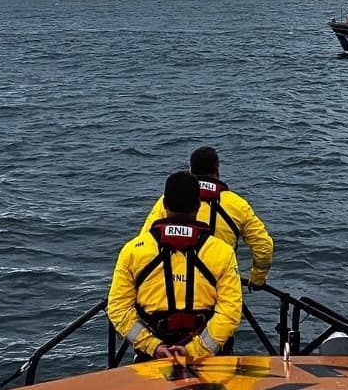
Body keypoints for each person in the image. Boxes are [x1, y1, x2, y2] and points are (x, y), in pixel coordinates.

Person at [108, 171, 242, 362]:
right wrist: (195, 349)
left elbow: (118, 309)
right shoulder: (223, 252)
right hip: (210, 361)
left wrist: (153, 346)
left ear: (164, 205)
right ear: (198, 206)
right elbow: (230, 312)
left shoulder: (132, 251)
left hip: (152, 359)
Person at [141, 147, 273, 290]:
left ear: (190, 170)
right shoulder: (237, 204)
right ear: (217, 169)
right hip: (220, 285)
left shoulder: (167, 201)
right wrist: (257, 279)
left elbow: (144, 243)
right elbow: (264, 246)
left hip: (172, 286)